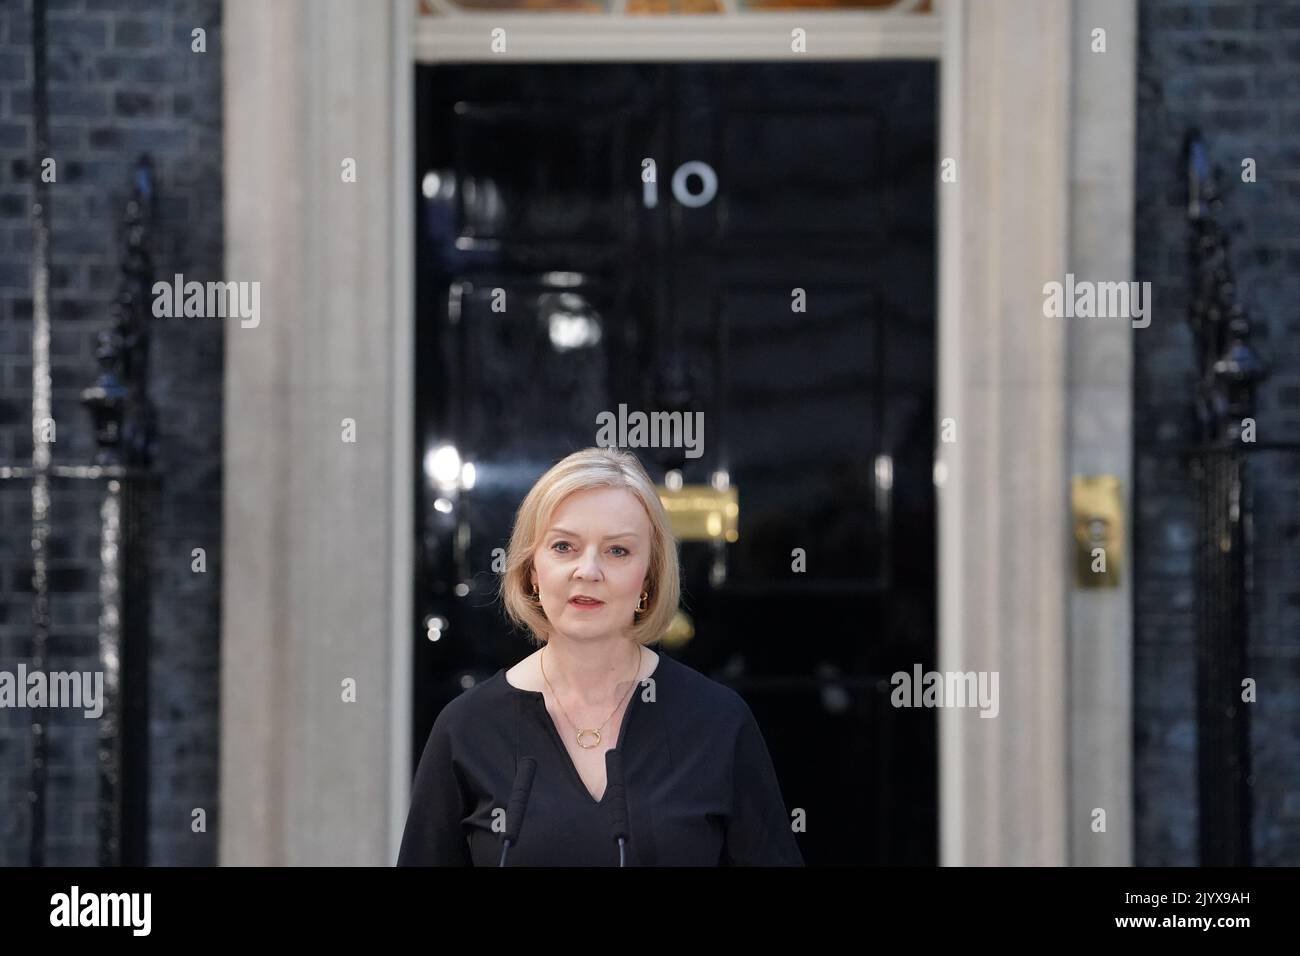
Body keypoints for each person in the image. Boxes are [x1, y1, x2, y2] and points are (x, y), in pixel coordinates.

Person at [396, 446, 803, 866]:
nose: (588, 571)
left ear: (648, 576)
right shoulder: (467, 727)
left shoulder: (718, 721)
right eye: (563, 547)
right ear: (532, 570)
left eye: (618, 551)